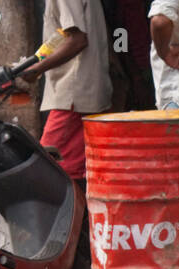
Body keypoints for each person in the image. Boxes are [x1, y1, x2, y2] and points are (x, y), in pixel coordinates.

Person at [21, 0, 112, 183]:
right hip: (81, 92)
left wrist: (36, 70)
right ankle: (80, 211)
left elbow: (77, 40)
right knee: (74, 170)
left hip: (73, 95)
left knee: (45, 169)